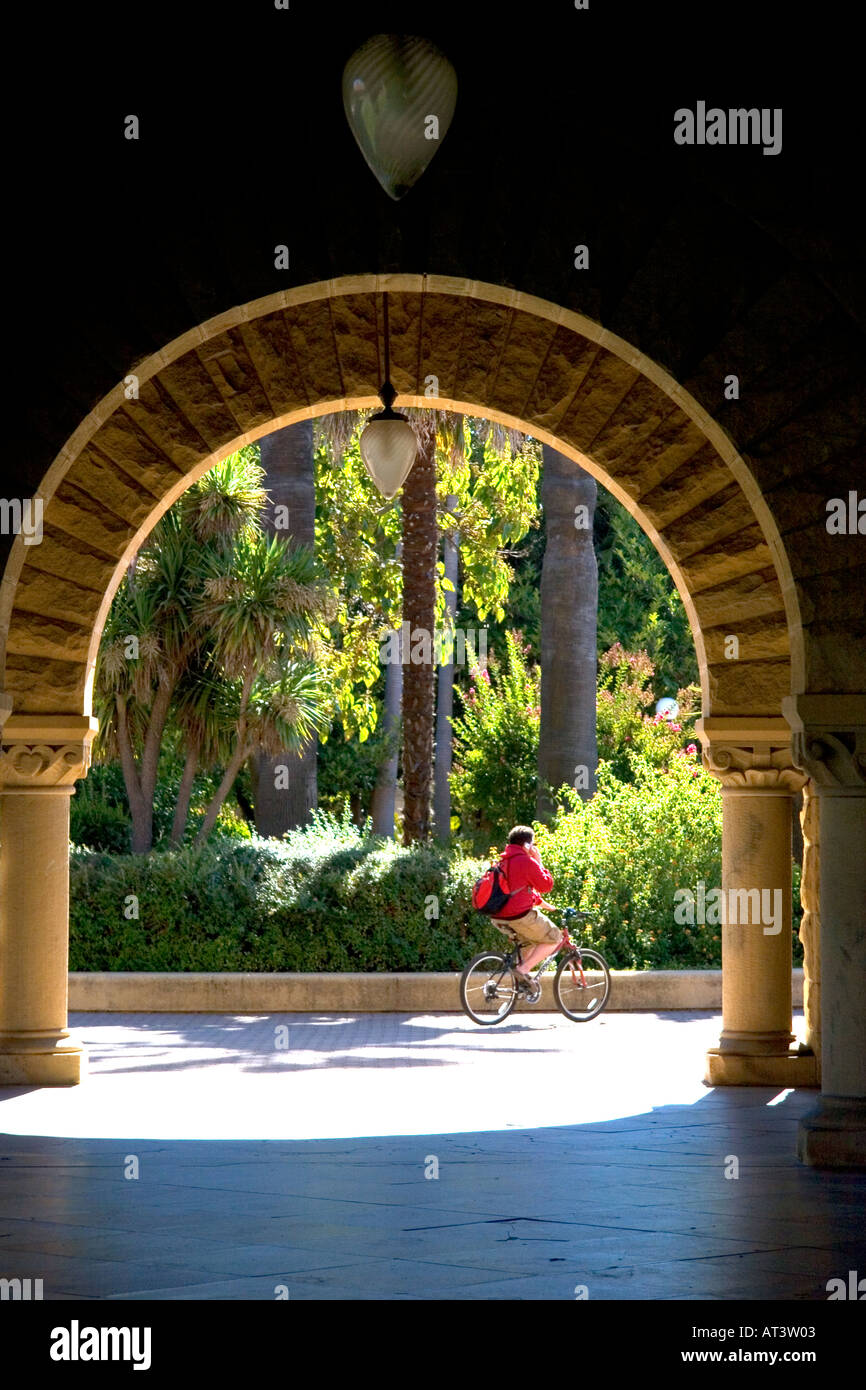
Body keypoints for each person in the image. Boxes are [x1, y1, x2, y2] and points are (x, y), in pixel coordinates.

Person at [492, 825, 563, 991]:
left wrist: (544, 905)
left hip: (498, 916)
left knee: (529, 943)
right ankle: (523, 970)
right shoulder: (526, 862)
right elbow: (546, 885)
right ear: (526, 845)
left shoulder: (503, 861)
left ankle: (520, 984)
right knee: (555, 937)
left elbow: (518, 893)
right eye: (532, 844)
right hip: (519, 916)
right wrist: (539, 862)